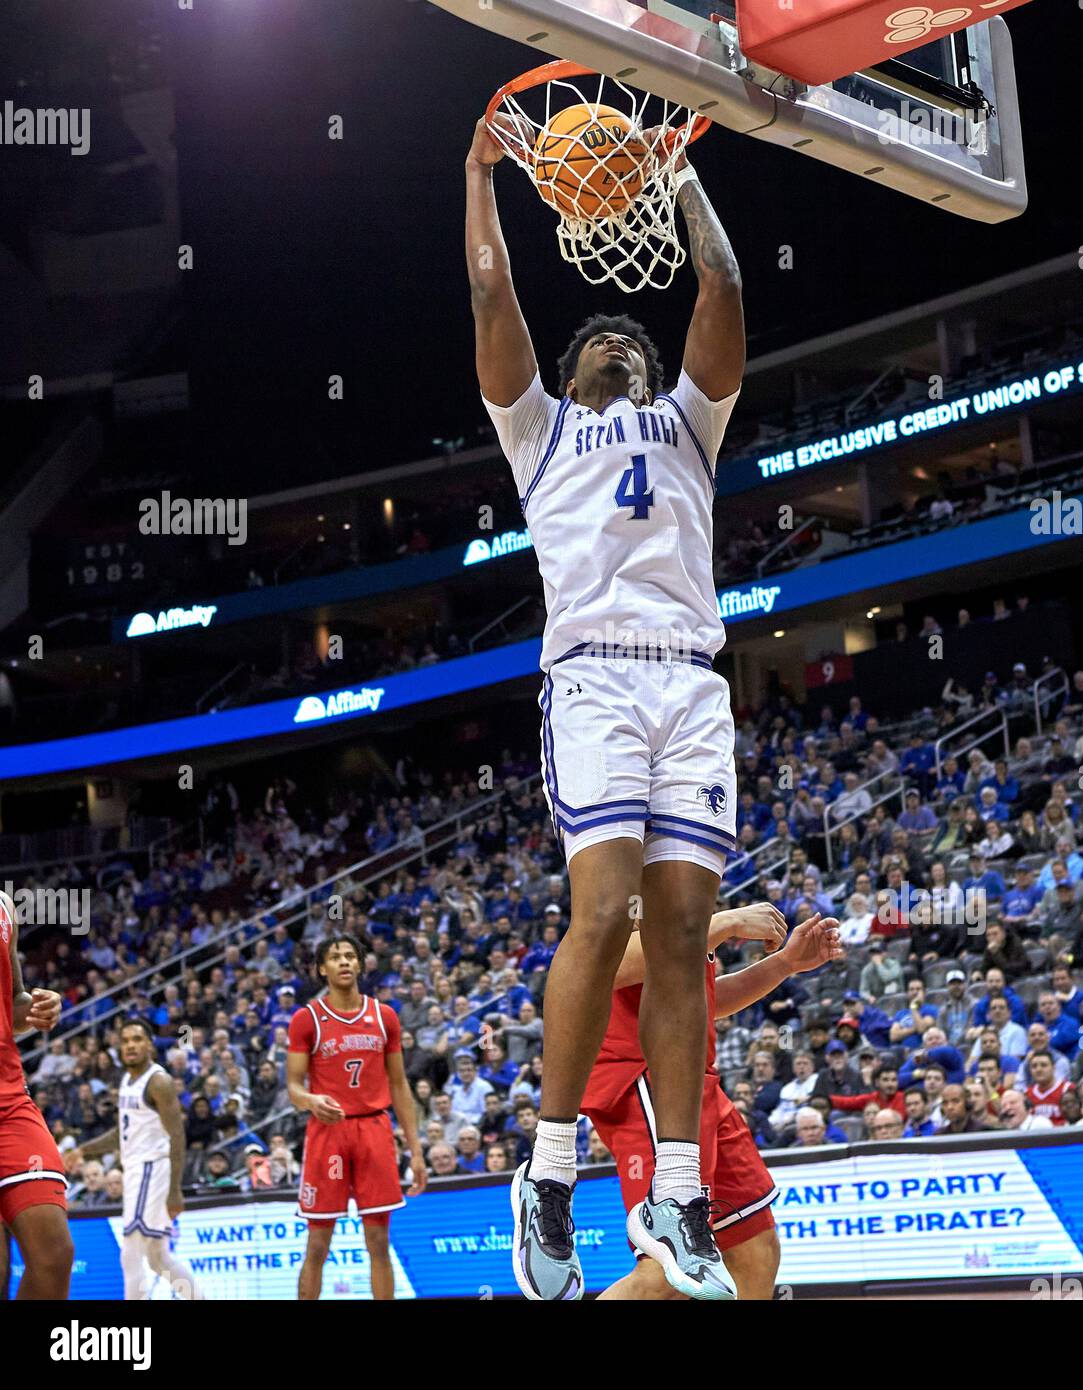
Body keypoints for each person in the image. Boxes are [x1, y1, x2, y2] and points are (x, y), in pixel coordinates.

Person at [467, 105, 748, 1302]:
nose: (616, 353)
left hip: (691, 676)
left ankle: (677, 1195)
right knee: (601, 911)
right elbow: (492, 300)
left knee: (680, 933)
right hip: (590, 674)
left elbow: (723, 282)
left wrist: (674, 169)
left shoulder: (689, 419)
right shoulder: (537, 432)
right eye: (599, 349)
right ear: (571, 374)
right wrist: (480, 171)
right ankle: (545, 1175)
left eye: (629, 345)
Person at [584, 905, 841, 1299]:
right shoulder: (630, 874)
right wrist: (728, 922)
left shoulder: (688, 896)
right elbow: (605, 965)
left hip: (697, 1081)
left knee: (754, 1248)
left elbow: (703, 1002)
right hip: (647, 1081)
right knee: (664, 1271)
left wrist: (784, 964)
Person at [287, 935, 427, 1299]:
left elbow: (399, 1085)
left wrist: (416, 1149)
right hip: (328, 1132)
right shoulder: (307, 1019)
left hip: (374, 1128)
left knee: (378, 1241)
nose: (344, 962)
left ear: (361, 965)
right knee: (318, 1242)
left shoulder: (384, 1016)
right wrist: (311, 1100)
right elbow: (293, 1087)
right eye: (335, 957)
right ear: (322, 969)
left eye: (351, 956)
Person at [68, 1019, 204, 1299]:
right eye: (126, 1040)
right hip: (136, 1170)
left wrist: (175, 1190)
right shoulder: (127, 1080)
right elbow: (122, 1131)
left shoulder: (159, 1081)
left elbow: (177, 1136)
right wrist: (83, 1150)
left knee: (130, 1253)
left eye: (137, 1039)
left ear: (150, 1045)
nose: (130, 1045)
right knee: (158, 1258)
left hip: (151, 1169)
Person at [0, 891, 74, 1298]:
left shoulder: (4, 906)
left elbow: (13, 1005)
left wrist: (38, 1010)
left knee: (54, 1256)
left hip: (9, 1100)